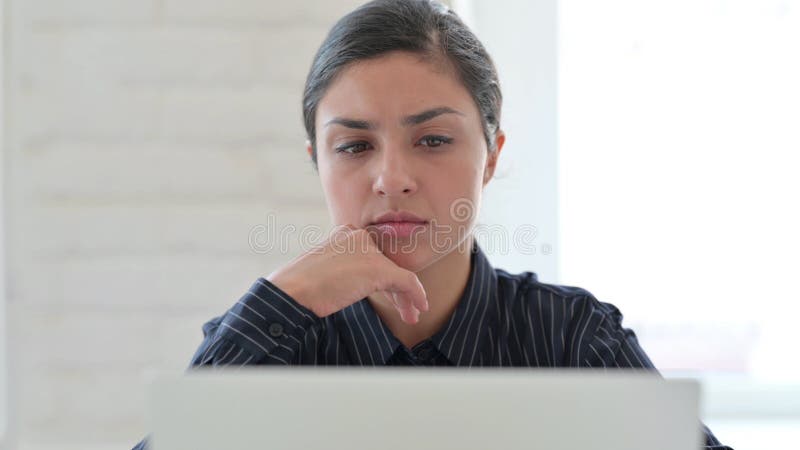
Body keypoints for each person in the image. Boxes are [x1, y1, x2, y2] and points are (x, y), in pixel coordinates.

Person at [132, 1, 732, 448]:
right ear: (316, 160)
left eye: (434, 139)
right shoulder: (269, 343)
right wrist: (281, 301)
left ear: (491, 156)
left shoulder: (570, 337)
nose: (392, 178)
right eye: (353, 146)